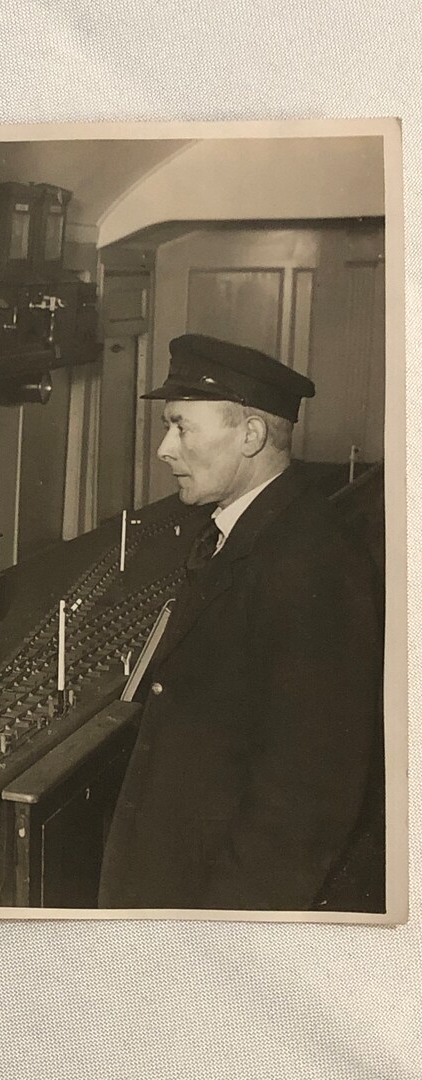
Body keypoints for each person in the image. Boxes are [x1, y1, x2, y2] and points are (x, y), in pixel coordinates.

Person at [98, 333, 383, 911]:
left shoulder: (312, 564)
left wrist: (223, 940)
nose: (165, 450)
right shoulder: (244, 531)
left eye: (181, 428)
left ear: (251, 436)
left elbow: (304, 804)